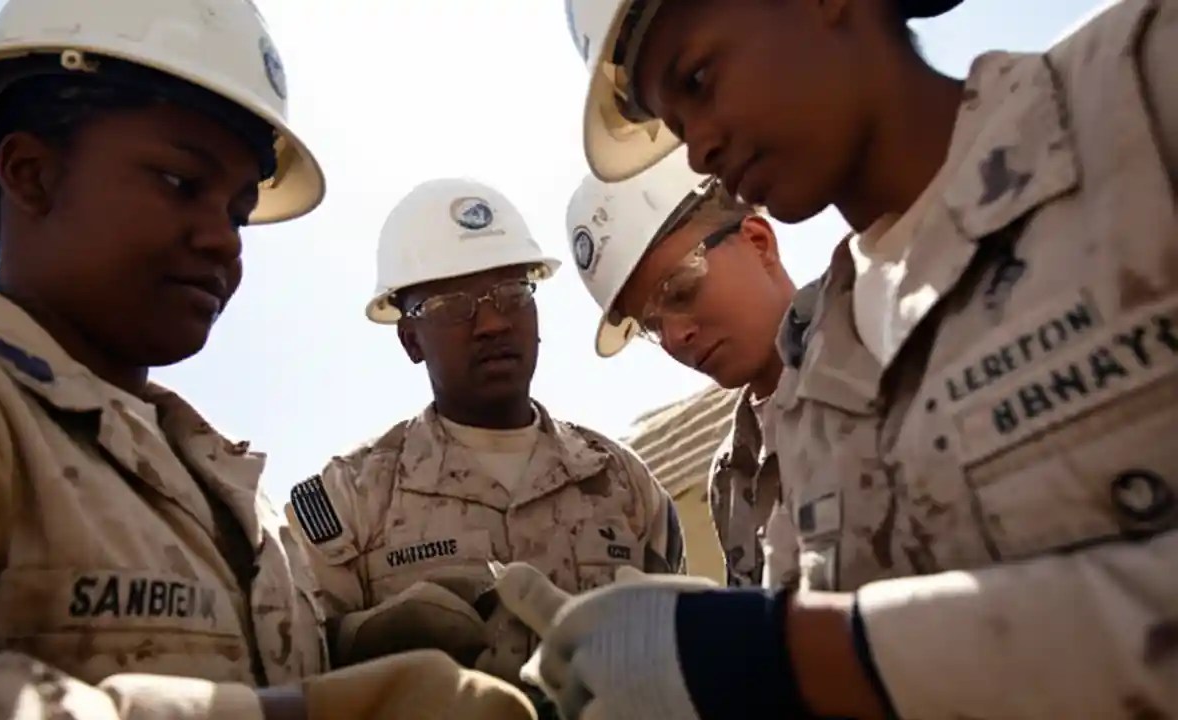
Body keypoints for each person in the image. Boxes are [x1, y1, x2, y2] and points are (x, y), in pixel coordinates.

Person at [498, 0, 1178, 718]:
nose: (696, 150)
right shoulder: (821, 376)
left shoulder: (1140, 98)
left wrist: (805, 654)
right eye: (674, 123)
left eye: (697, 79)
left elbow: (831, 661)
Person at [0, 1, 535, 719]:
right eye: (180, 183)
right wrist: (303, 714)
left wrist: (354, 643)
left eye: (235, 211)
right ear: (31, 173)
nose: (224, 242)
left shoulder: (219, 483)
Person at [286, 178, 686, 694]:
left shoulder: (621, 481)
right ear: (410, 340)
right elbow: (295, 676)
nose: (493, 323)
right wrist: (358, 642)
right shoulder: (350, 500)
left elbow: (677, 666)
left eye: (513, 294)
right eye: (453, 306)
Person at [565, 148, 801, 589]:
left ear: (758, 243)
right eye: (651, 327)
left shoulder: (892, 348)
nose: (675, 338)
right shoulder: (731, 476)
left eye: (680, 289)